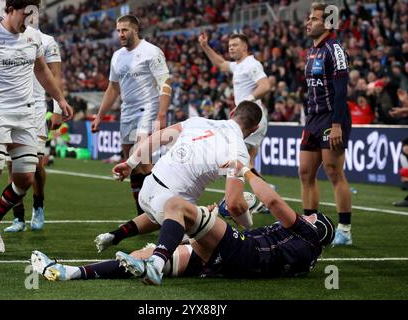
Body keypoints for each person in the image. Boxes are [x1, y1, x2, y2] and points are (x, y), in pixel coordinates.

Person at [31, 162, 335, 284]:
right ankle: (68, 272)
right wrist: (212, 224)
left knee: (177, 206)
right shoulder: (304, 252)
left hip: (244, 255)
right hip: (234, 261)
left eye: (311, 216)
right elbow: (261, 238)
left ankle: (158, 260)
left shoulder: (309, 236)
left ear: (318, 228)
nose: (306, 215)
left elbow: (274, 203)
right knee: (140, 257)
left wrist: (248, 172)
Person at [0, 0, 73, 259]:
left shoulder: (32, 37)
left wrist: (60, 100)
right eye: (26, 14)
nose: (29, 20)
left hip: (25, 115)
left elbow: (42, 70)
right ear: (10, 10)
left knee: (25, 179)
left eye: (34, 15)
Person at [94, 101, 262, 252]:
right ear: (255, 128)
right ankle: (154, 251)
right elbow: (233, 205)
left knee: (161, 211)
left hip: (147, 189)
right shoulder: (239, 150)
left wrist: (129, 164)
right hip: (171, 203)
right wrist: (248, 224)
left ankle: (115, 235)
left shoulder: (198, 121)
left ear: (232, 113)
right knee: (214, 244)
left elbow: (157, 138)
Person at [90, 14, 172, 216]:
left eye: (124, 30)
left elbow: (165, 84)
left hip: (148, 108)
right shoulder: (117, 56)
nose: (121, 34)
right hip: (127, 111)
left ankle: (160, 209)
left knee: (142, 157)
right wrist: (100, 116)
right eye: (118, 30)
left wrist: (161, 114)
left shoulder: (152, 52)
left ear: (135, 30)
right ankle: (142, 213)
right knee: (131, 161)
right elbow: (112, 88)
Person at [299, 2, 353, 246]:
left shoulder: (335, 50)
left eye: (314, 19)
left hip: (332, 117)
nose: (308, 22)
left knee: (333, 172)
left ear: (328, 23)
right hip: (313, 119)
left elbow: (341, 91)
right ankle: (311, 224)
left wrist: (338, 124)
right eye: (308, 18)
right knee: (305, 173)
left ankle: (344, 230)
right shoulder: (312, 51)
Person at [198, 32, 270, 170]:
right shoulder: (238, 65)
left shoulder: (251, 64)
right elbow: (220, 63)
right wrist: (205, 46)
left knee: (235, 160)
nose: (231, 48)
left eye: (235, 45)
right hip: (249, 116)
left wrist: (245, 102)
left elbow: (265, 86)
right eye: (230, 45)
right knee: (246, 164)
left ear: (245, 47)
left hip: (251, 117)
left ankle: (251, 190)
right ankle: (263, 190)